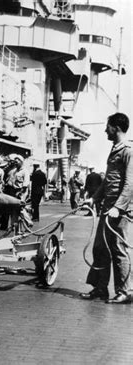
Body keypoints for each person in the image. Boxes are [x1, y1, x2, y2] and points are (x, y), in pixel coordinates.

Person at [80, 113, 132, 304]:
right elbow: (108, 181)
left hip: (120, 211)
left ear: (116, 128)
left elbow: (130, 184)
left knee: (118, 249)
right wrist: (94, 198)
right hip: (107, 208)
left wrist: (119, 207)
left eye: (107, 127)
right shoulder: (115, 149)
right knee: (100, 248)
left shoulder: (128, 150)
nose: (105, 130)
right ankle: (100, 288)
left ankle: (125, 291)